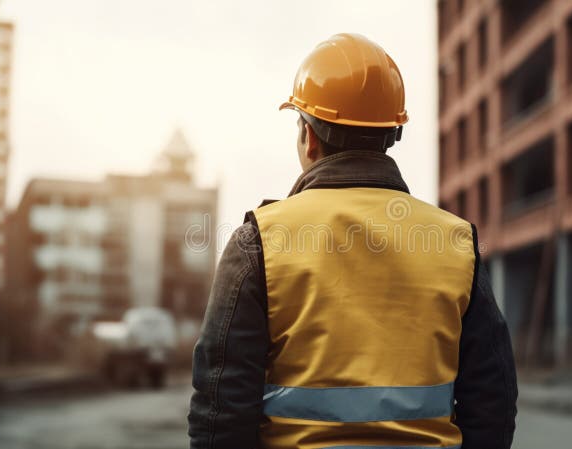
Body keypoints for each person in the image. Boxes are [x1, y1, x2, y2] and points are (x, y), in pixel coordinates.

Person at [188, 33, 517, 449]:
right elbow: (493, 400)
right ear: (392, 135)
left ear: (309, 137)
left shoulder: (262, 241)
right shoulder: (454, 242)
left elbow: (221, 409)